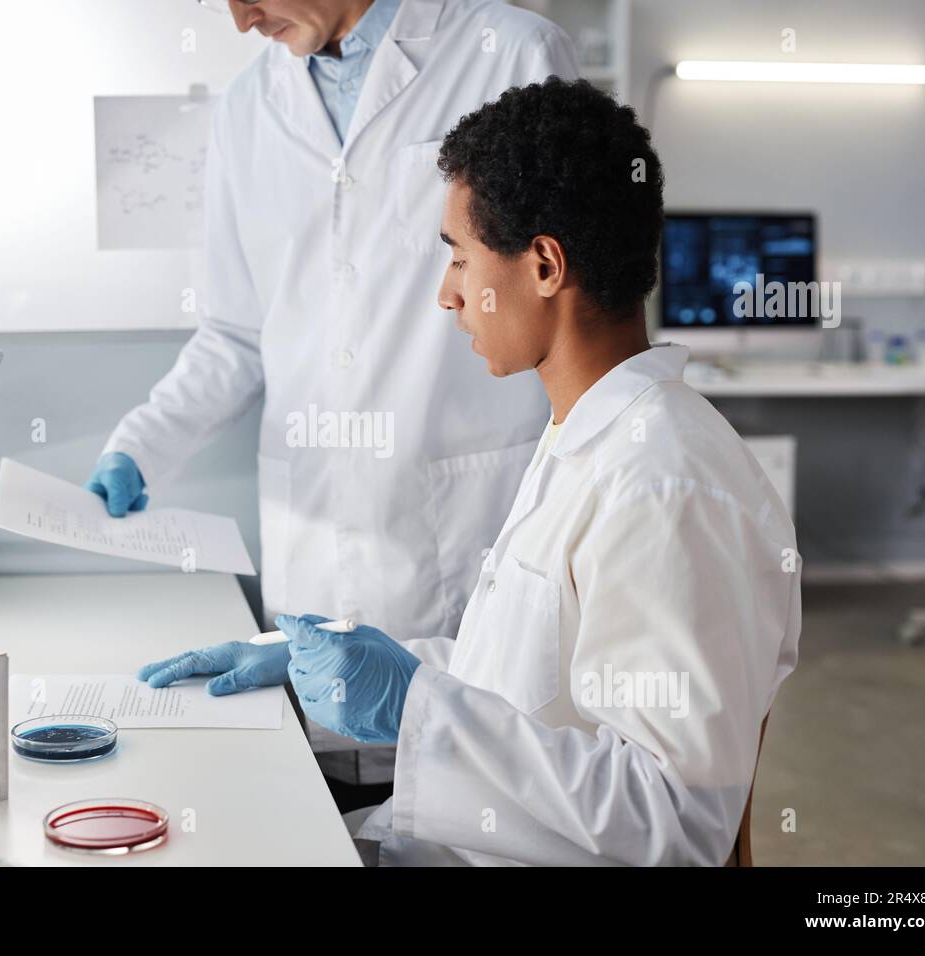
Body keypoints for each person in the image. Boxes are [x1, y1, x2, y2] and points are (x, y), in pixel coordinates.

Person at [273, 76, 803, 865]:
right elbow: (528, 683)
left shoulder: (667, 486)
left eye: (459, 257)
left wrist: (415, 706)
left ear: (545, 264)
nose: (448, 295)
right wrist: (315, 669)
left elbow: (676, 824)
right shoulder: (586, 433)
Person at [90, 0, 579, 784]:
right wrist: (140, 447)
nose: (242, 20)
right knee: (328, 807)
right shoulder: (250, 106)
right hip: (309, 539)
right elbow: (236, 331)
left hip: (459, 524)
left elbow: (575, 306)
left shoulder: (510, 52)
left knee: (469, 787)